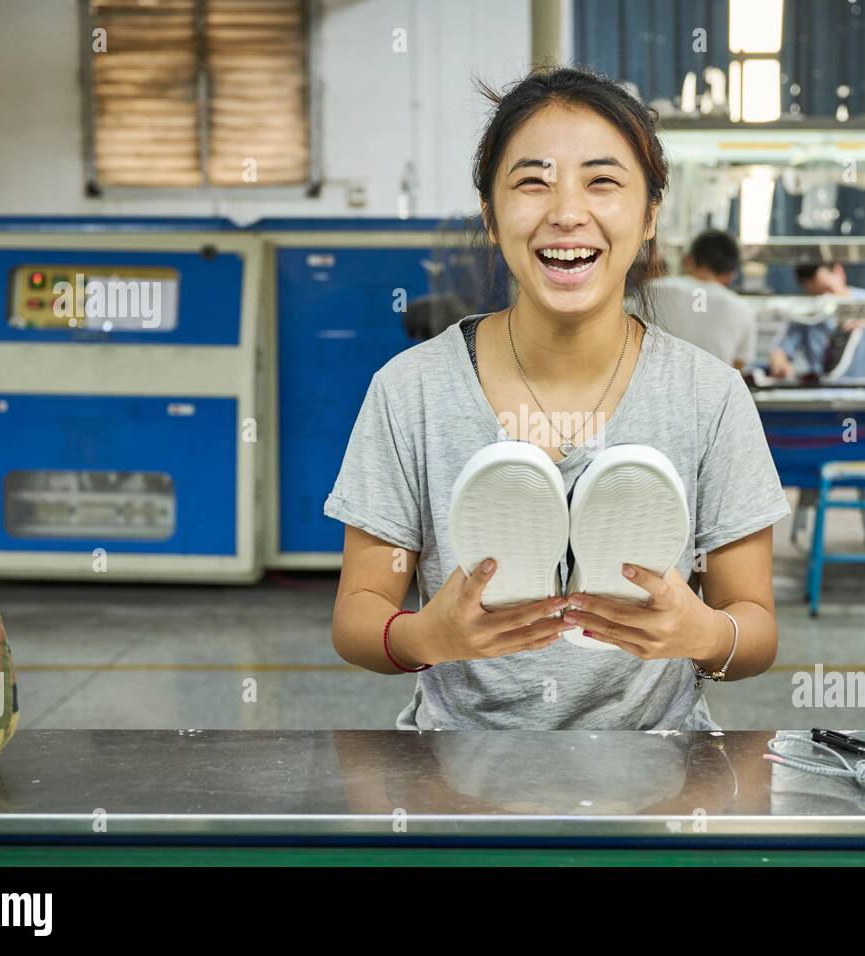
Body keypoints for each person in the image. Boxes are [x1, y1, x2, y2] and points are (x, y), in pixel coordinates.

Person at [325, 67, 791, 731]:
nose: (567, 213)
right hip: (455, 777)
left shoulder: (708, 397)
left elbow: (757, 633)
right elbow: (356, 615)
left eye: (602, 181)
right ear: (490, 215)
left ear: (651, 212)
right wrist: (427, 636)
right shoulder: (411, 391)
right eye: (532, 182)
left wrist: (705, 635)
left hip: (661, 776)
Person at [768, 263, 865, 380]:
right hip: (822, 398)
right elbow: (780, 349)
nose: (826, 298)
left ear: (839, 272)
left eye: (828, 289)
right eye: (818, 294)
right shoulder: (807, 310)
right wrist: (781, 366)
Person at [644, 230, 758, 369]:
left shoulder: (653, 290)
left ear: (688, 260)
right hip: (714, 389)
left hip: (654, 387)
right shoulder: (742, 308)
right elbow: (738, 365)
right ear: (730, 275)